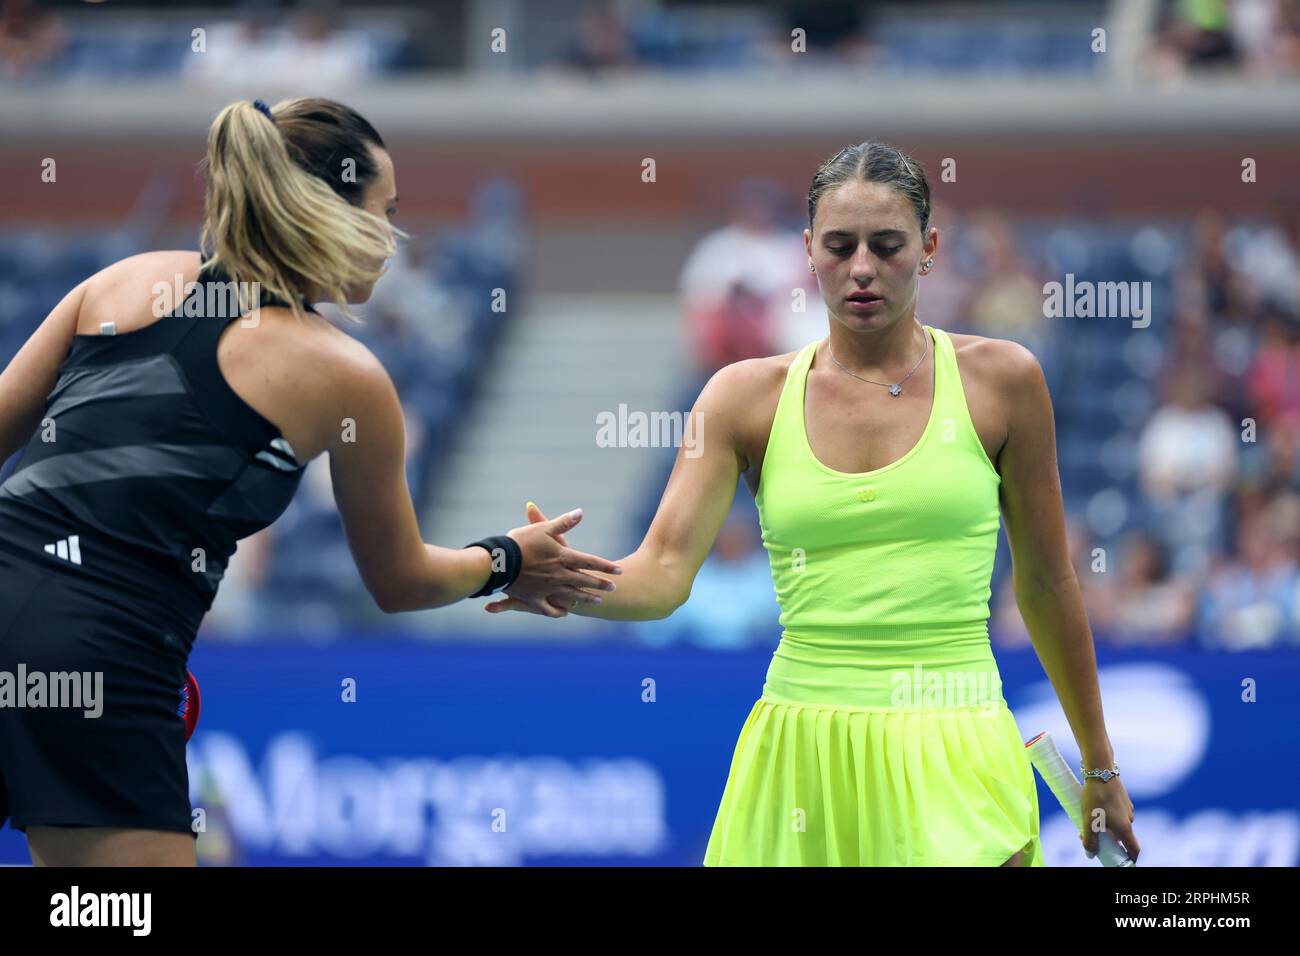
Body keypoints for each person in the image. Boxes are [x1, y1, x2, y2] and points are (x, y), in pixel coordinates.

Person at [0, 97, 620, 867]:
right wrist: (508, 559)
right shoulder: (343, 374)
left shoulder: (124, 281)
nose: (395, 239)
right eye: (386, 212)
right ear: (323, 211)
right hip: (97, 653)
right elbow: (398, 579)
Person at [492, 142, 1140, 866]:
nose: (862, 267)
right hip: (800, 752)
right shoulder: (741, 397)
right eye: (840, 246)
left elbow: (1048, 582)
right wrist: (550, 577)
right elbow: (665, 571)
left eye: (887, 245)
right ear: (807, 252)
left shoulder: (1004, 381)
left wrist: (1100, 764)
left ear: (928, 249)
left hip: (959, 738)